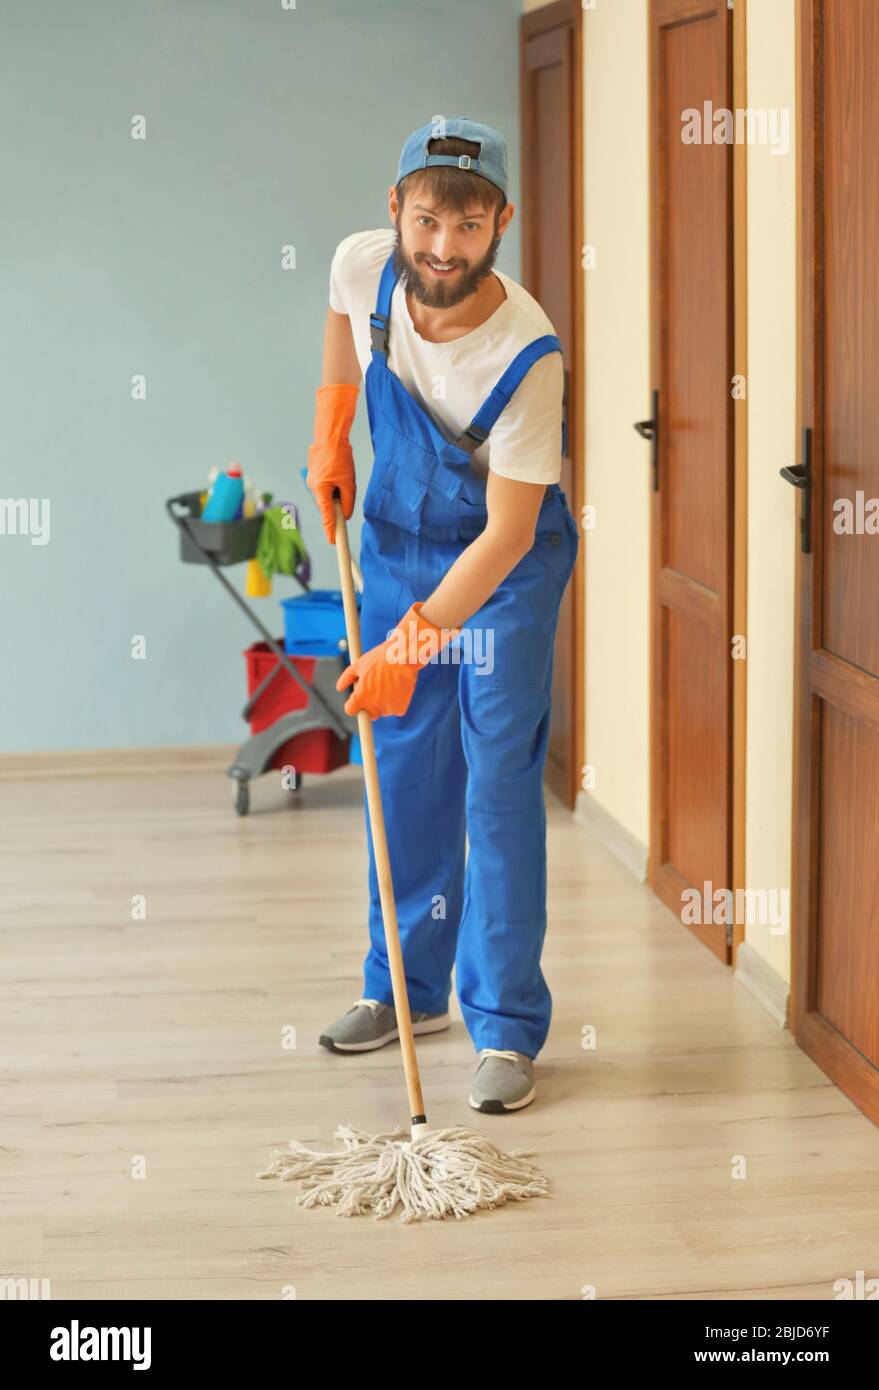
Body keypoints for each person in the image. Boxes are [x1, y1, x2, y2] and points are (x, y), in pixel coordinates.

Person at [306, 116, 579, 1113]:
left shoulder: (527, 354)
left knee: (495, 782)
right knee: (404, 768)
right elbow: (340, 319)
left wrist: (416, 642)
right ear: (396, 211)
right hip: (393, 541)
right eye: (427, 221)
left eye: (468, 226)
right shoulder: (363, 263)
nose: (442, 249)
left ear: (500, 220)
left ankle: (504, 1027)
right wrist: (331, 429)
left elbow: (508, 533)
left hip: (502, 571)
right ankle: (405, 991)